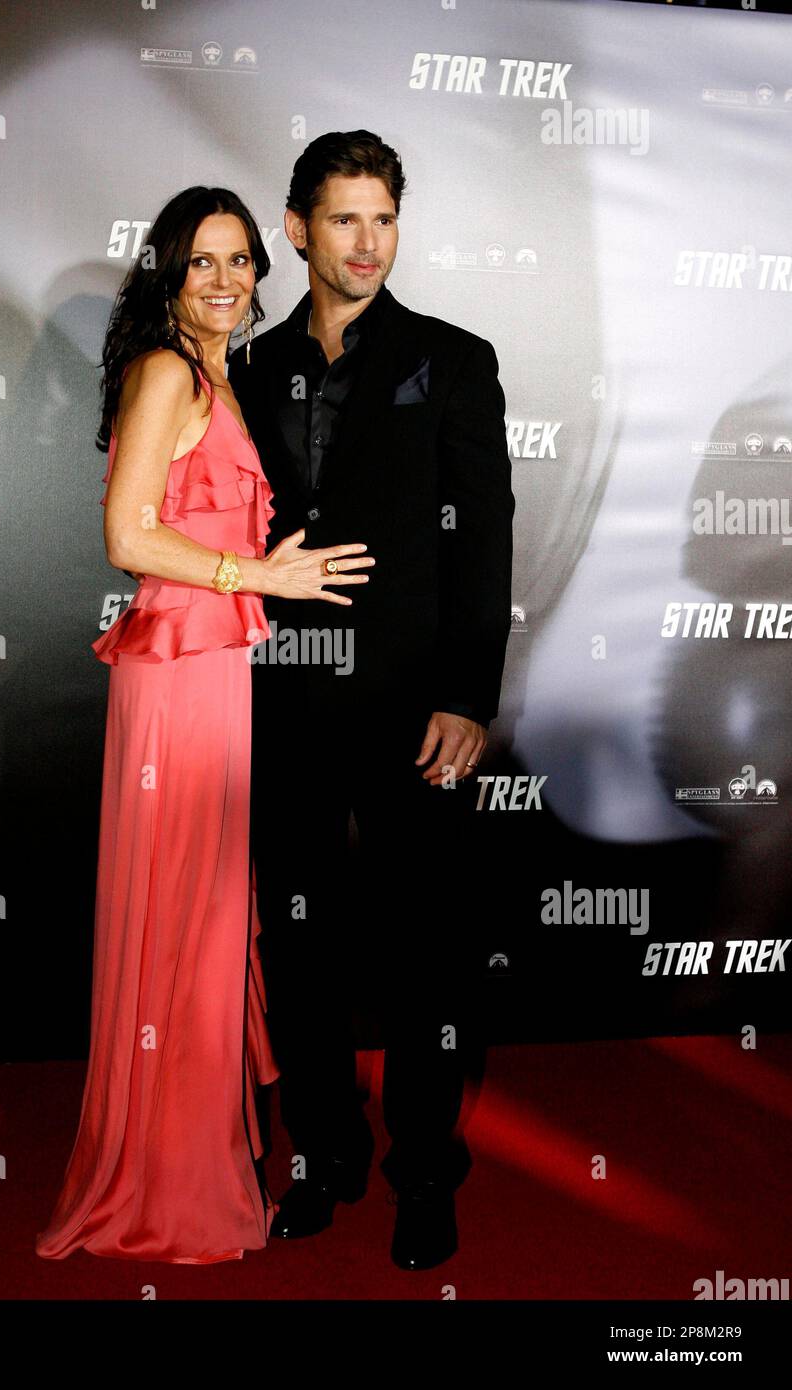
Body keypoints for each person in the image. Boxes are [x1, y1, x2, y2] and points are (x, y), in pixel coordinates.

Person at [34, 186, 374, 1264]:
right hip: (177, 680)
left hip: (220, 672)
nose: (228, 281)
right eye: (203, 264)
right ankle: (169, 1182)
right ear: (169, 277)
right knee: (186, 932)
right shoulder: (165, 372)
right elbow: (128, 536)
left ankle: (190, 1155)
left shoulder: (221, 375)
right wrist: (257, 571)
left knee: (212, 931)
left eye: (239, 262)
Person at [227, 131, 515, 1271]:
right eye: (343, 220)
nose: (367, 243)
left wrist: (468, 695)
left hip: (412, 703)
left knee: (425, 955)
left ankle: (424, 1174)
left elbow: (482, 539)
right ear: (296, 229)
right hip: (282, 699)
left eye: (383, 219)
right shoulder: (245, 371)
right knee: (297, 947)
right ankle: (323, 1155)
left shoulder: (453, 359)